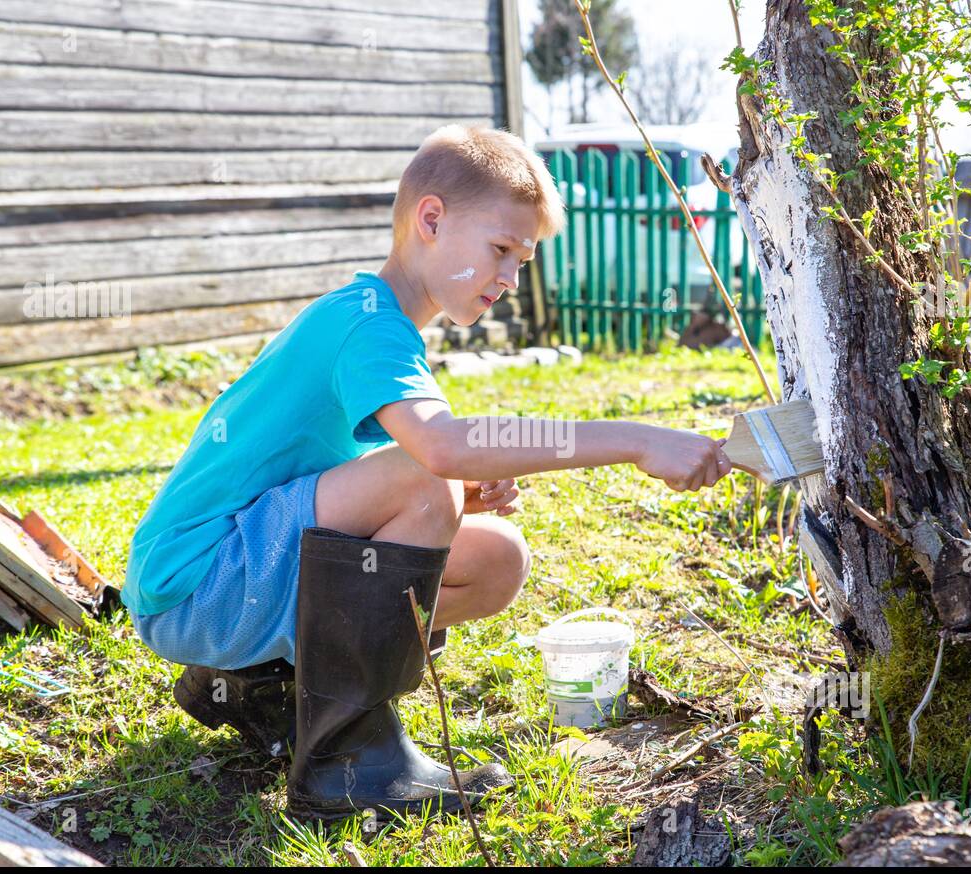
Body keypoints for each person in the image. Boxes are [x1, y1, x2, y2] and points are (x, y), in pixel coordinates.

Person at [121, 124, 733, 822]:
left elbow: (369, 473)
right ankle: (349, 765)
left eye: (523, 260)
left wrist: (452, 486)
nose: (510, 278)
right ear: (432, 219)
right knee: (427, 475)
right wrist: (634, 440)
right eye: (502, 250)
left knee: (497, 559)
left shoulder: (380, 321)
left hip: (233, 583)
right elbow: (439, 447)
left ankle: (264, 687)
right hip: (196, 582)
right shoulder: (368, 323)